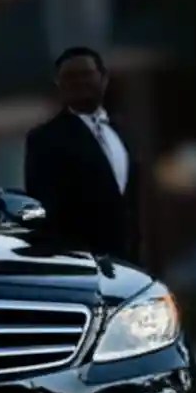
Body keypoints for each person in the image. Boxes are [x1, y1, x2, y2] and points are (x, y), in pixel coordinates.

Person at [24, 47, 141, 262]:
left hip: (132, 262)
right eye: (69, 77)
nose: (79, 82)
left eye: (86, 74)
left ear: (103, 78)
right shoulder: (45, 139)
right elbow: (43, 208)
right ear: (58, 84)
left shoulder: (123, 132)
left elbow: (135, 200)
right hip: (83, 261)